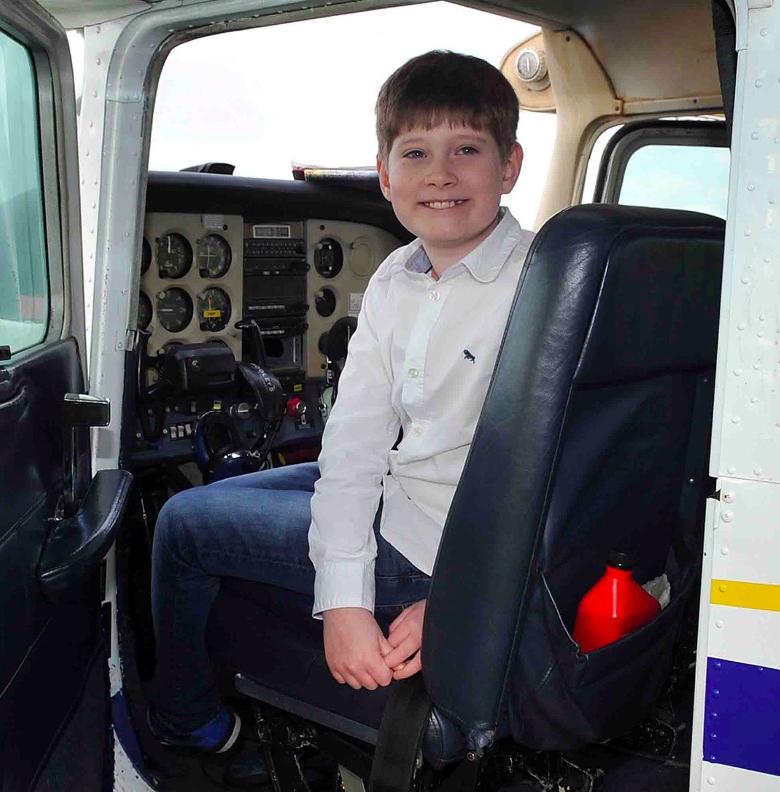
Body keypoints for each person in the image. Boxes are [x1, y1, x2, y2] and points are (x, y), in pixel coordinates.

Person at [147, 49, 533, 754]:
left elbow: (551, 474)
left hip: (438, 546)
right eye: (415, 152)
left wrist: (455, 598)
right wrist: (345, 593)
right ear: (384, 174)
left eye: (466, 149)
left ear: (510, 165)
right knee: (245, 495)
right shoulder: (394, 274)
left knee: (181, 525)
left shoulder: (539, 289)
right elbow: (353, 446)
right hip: (400, 488)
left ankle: (187, 723)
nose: (439, 175)